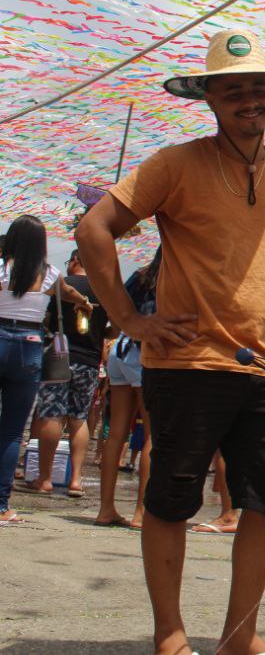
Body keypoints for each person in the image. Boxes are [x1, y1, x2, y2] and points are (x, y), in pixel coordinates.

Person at [76, 27, 265, 655]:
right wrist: (130, 322)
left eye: (259, 89)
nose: (250, 100)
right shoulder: (176, 163)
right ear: (210, 100)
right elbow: (95, 228)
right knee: (171, 498)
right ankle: (170, 633)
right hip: (187, 363)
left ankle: (239, 638)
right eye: (233, 91)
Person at [1, 216, 94, 524]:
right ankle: (2, 506)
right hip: (28, 346)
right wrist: (85, 303)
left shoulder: (2, 268)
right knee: (13, 430)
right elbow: (69, 294)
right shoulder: (50, 273)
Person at [26, 248, 109, 498]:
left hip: (59, 356)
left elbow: (44, 317)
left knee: (52, 414)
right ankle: (76, 480)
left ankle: (46, 478)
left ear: (75, 261)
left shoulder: (62, 284)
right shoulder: (104, 290)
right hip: (90, 360)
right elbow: (113, 327)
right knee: (78, 418)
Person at [94, 250, 161, 529]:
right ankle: (140, 513)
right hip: (146, 354)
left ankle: (106, 508)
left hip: (120, 351)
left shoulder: (142, 275)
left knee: (117, 432)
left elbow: (114, 308)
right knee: (151, 434)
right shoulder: (174, 278)